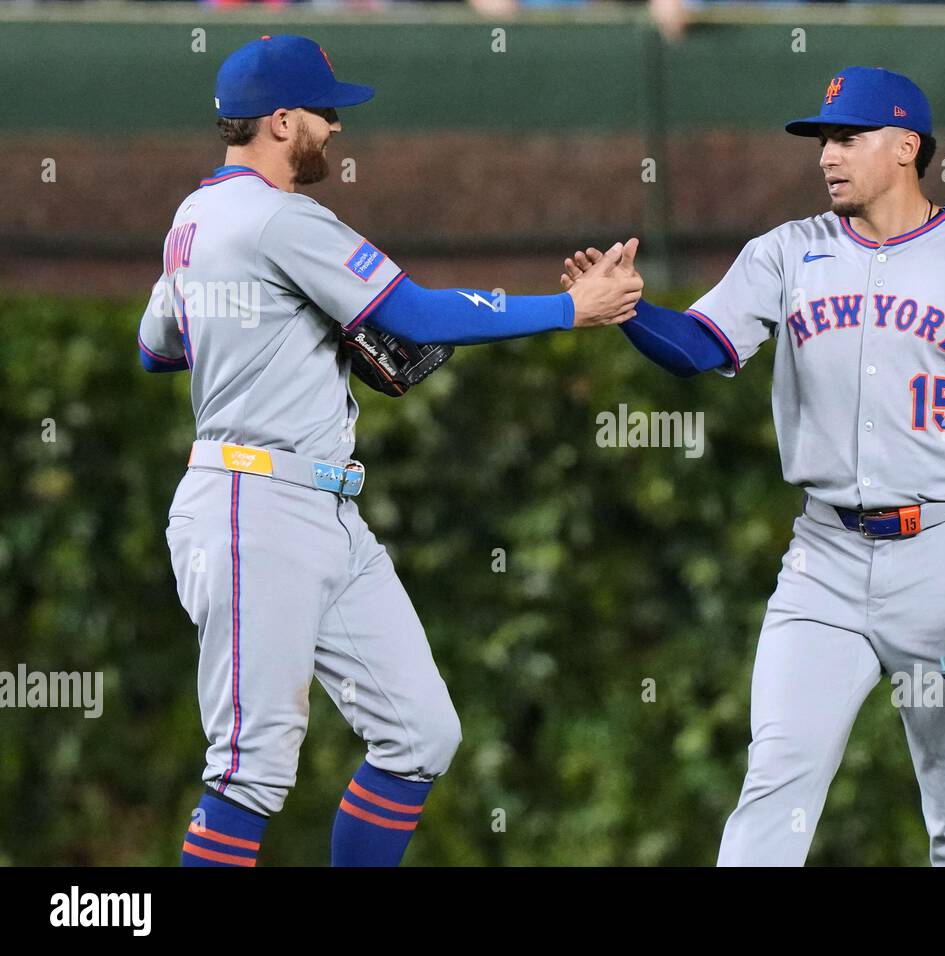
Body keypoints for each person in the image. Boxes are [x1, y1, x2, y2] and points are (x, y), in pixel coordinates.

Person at [138, 34, 641, 866]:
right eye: (325, 111)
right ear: (281, 119)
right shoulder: (279, 217)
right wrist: (568, 308)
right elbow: (419, 313)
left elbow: (156, 349)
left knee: (420, 734)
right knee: (249, 770)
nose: (336, 127)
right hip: (251, 507)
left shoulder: (192, 219)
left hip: (322, 510)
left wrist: (279, 327)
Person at [563, 66, 945, 866]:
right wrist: (629, 311)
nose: (827, 155)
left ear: (906, 147)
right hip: (824, 559)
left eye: (847, 137)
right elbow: (700, 347)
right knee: (776, 780)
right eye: (822, 139)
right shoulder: (787, 252)